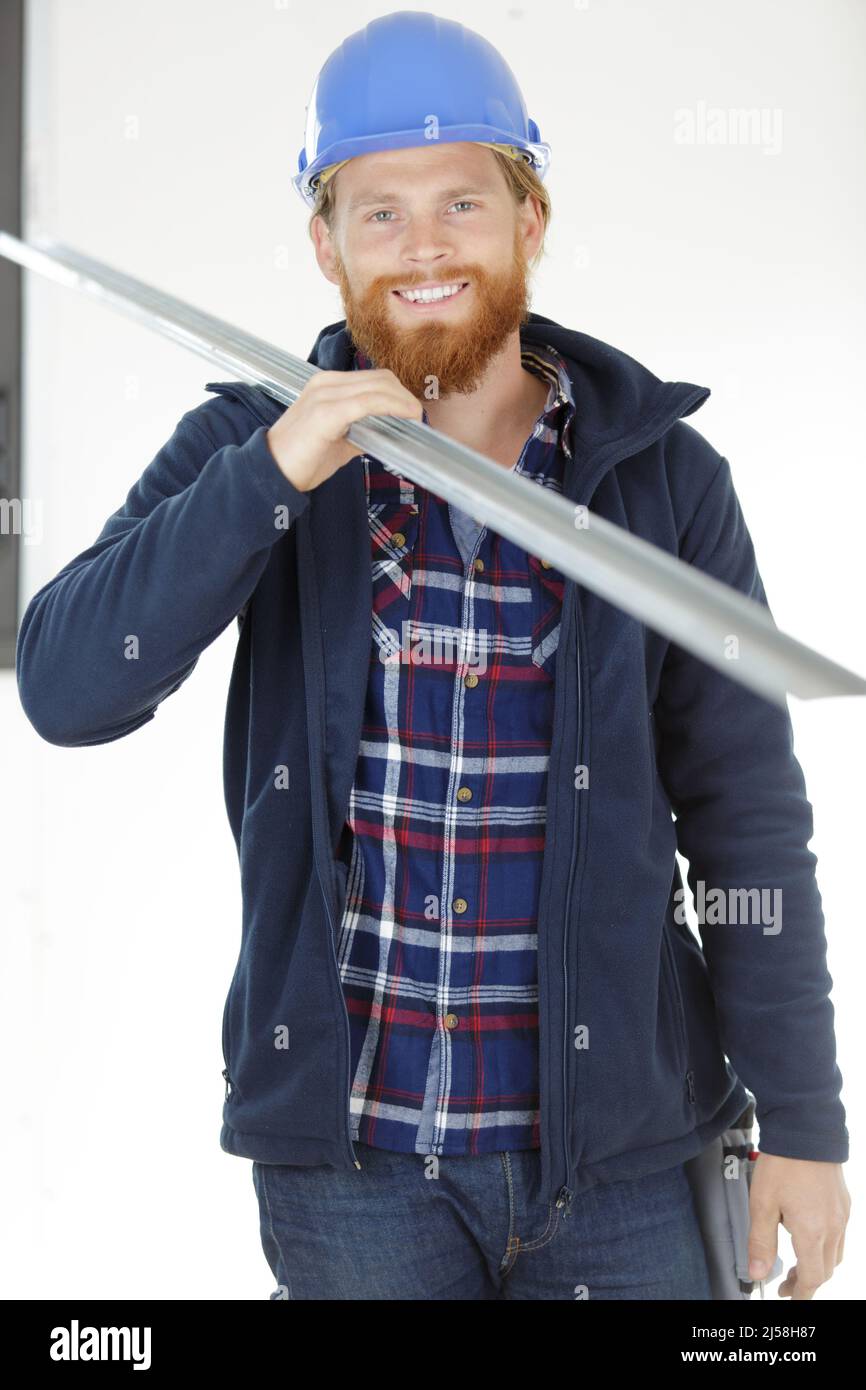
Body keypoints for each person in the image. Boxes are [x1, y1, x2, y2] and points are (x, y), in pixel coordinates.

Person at [16, 11, 850, 1300]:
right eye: (380, 212)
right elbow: (70, 689)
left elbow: (749, 817)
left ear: (530, 217)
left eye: (462, 200)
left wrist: (805, 1120)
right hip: (354, 1176)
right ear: (325, 242)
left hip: (624, 1166)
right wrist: (273, 474)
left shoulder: (664, 483)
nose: (424, 250)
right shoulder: (253, 450)